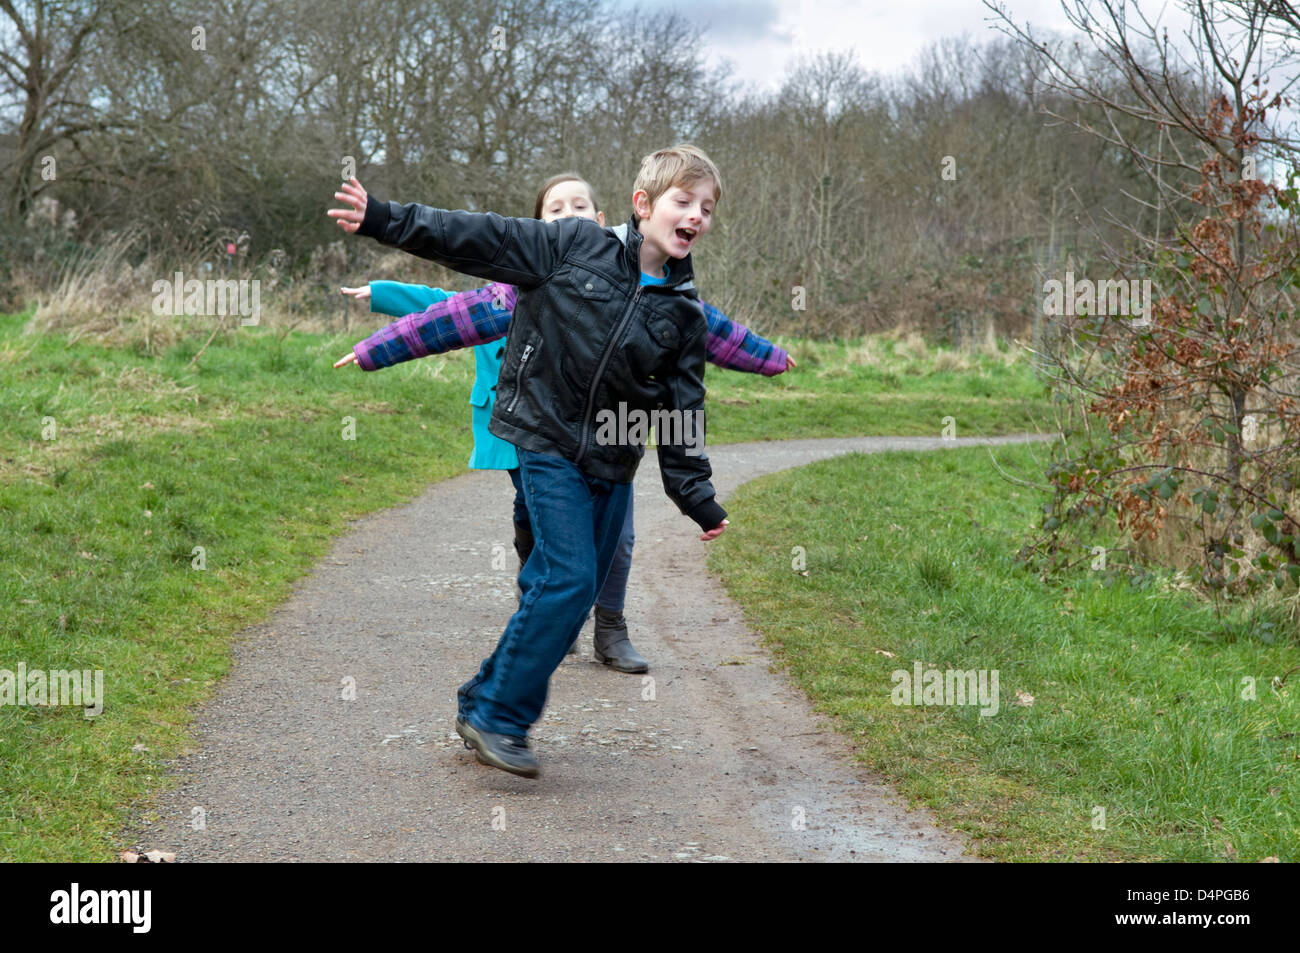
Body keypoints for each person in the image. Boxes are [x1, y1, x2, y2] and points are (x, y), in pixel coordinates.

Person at [328, 144, 732, 779]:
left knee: (571, 590)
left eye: (706, 208)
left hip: (612, 461)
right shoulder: (572, 245)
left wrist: (695, 494)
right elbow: (473, 237)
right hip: (544, 441)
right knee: (568, 579)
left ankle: (480, 700)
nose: (696, 217)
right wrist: (383, 218)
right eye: (684, 202)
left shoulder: (683, 314)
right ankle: (498, 717)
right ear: (643, 205)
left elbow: (683, 409)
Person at [334, 173, 793, 674]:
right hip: (545, 435)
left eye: (580, 206)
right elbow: (446, 317)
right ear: (539, 228)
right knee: (539, 528)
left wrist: (771, 358)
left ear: (602, 220)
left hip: (615, 440)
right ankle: (543, 617)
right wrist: (373, 349)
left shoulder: (665, 295)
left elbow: (718, 333)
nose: (569, 214)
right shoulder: (524, 285)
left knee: (617, 540)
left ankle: (611, 626)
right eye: (555, 209)